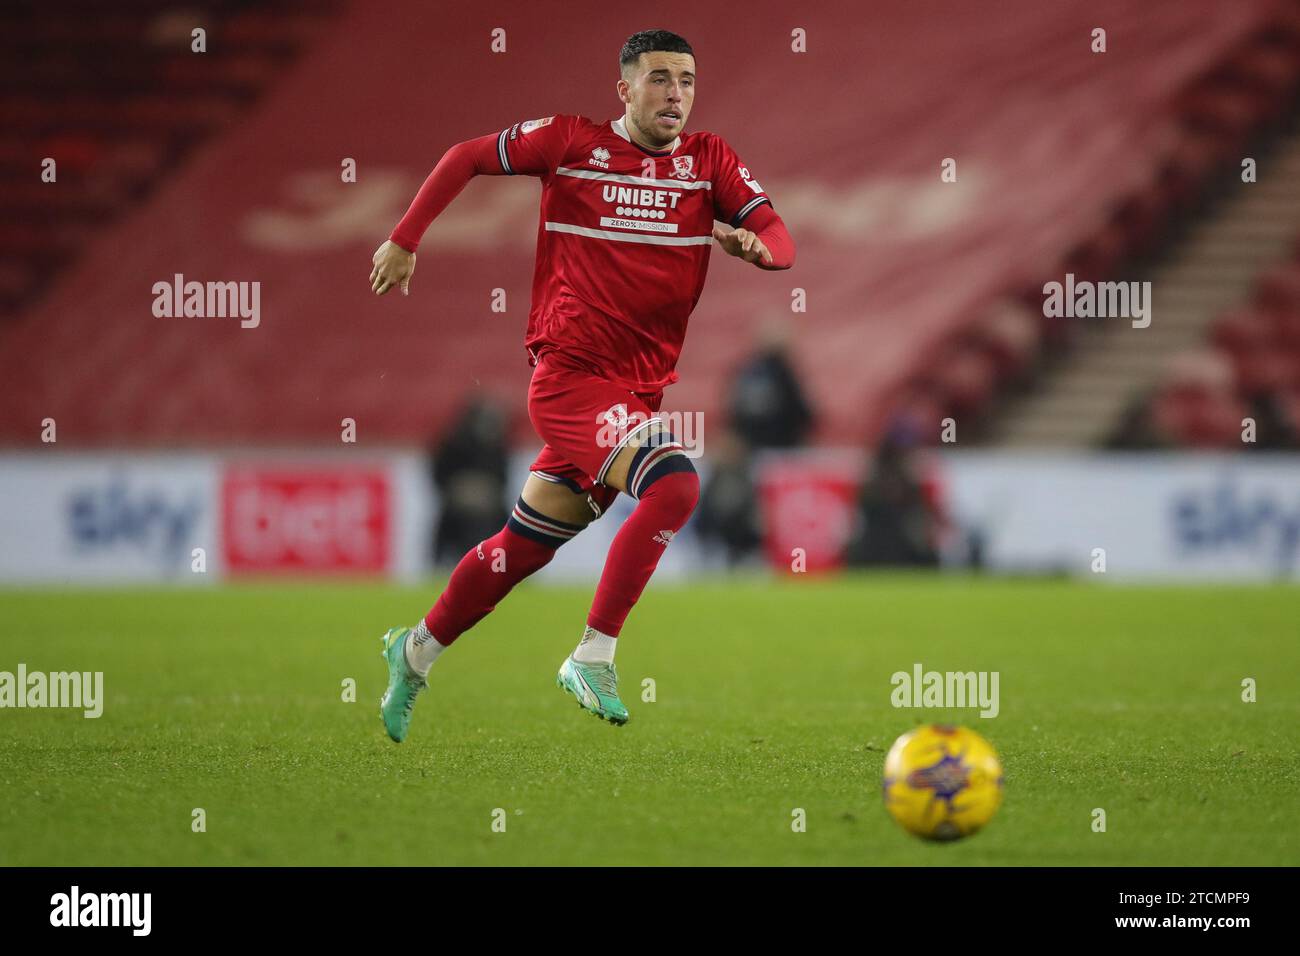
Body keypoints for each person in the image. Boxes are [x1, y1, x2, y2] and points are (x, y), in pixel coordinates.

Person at [368, 29, 795, 741]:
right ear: (624, 89)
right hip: (569, 380)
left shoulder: (708, 161)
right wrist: (405, 239)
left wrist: (758, 248)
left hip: (633, 396)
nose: (676, 94)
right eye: (659, 79)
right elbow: (464, 156)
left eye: (686, 80)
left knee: (520, 549)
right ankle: (593, 653)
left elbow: (780, 234)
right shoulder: (569, 143)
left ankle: (412, 653)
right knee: (677, 484)